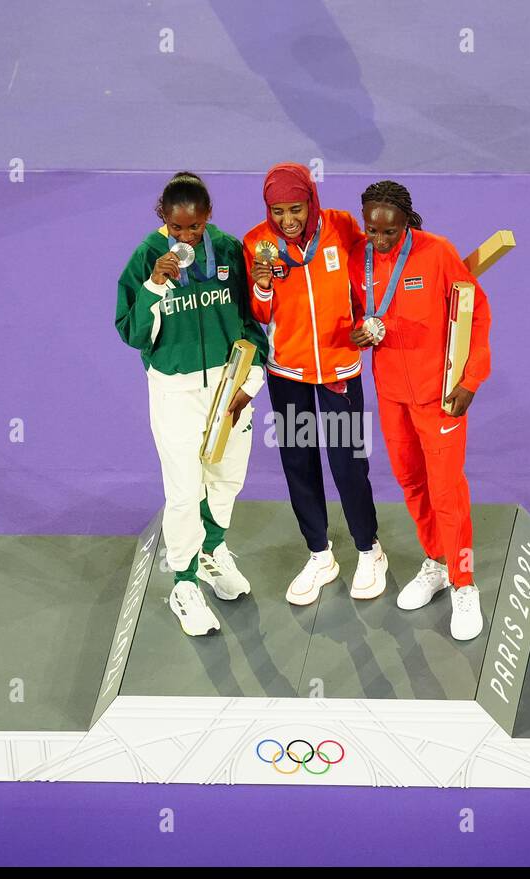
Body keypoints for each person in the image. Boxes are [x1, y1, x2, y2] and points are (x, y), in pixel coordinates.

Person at [115, 171, 269, 637]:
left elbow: (249, 318)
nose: (186, 236)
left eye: (195, 227)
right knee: (184, 489)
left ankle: (211, 551)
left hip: (227, 385)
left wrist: (253, 378)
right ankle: (183, 583)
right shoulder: (145, 257)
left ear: (207, 219)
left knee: (227, 478)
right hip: (175, 389)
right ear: (164, 216)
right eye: (178, 227)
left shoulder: (227, 250)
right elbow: (132, 333)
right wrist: (155, 287)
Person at [348, 181, 493, 641]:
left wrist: (470, 379)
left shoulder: (437, 253)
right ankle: (436, 561)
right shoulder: (359, 259)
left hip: (441, 396)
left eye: (390, 232)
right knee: (412, 483)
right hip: (391, 395)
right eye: (372, 230)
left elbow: (477, 312)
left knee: (447, 491)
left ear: (407, 222)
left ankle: (464, 581)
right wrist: (357, 331)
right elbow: (353, 313)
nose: (380, 240)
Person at [242, 163, 387, 606]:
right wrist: (263, 286)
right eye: (279, 211)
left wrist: (368, 321)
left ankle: (369, 550)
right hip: (287, 374)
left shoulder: (340, 227)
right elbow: (260, 315)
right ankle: (320, 554)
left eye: (296, 209)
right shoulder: (257, 244)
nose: (288, 220)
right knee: (299, 463)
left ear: (311, 202)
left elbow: (370, 275)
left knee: (347, 464)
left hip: (339, 370)